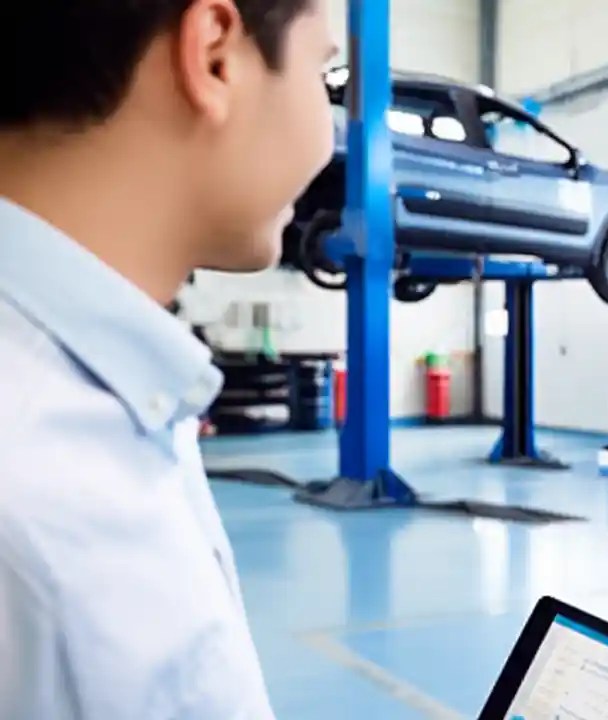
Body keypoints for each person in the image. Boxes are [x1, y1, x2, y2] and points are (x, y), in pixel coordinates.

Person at [0, 1, 336, 716]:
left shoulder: (105, 391)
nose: (329, 136)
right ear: (215, 55)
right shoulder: (46, 511)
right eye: (322, 70)